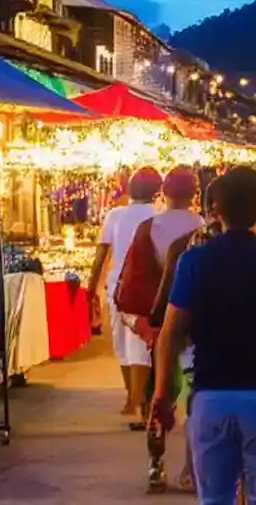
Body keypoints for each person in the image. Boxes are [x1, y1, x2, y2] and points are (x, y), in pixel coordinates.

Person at [152, 166, 256, 505]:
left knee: (215, 499)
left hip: (212, 396)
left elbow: (170, 334)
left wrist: (162, 394)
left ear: (216, 210)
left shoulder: (194, 261)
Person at [88, 167, 162, 422]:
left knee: (123, 345)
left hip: (118, 288)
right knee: (143, 344)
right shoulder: (158, 214)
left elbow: (100, 255)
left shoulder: (115, 215)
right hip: (150, 288)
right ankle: (139, 400)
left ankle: (133, 398)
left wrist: (90, 287)